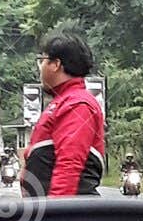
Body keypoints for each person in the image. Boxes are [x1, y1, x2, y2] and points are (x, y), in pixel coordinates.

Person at [24, 31, 105, 196]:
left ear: (56, 64)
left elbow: (69, 165)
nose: (40, 68)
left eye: (43, 61)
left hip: (69, 215)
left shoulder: (77, 104)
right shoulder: (62, 102)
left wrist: (57, 214)